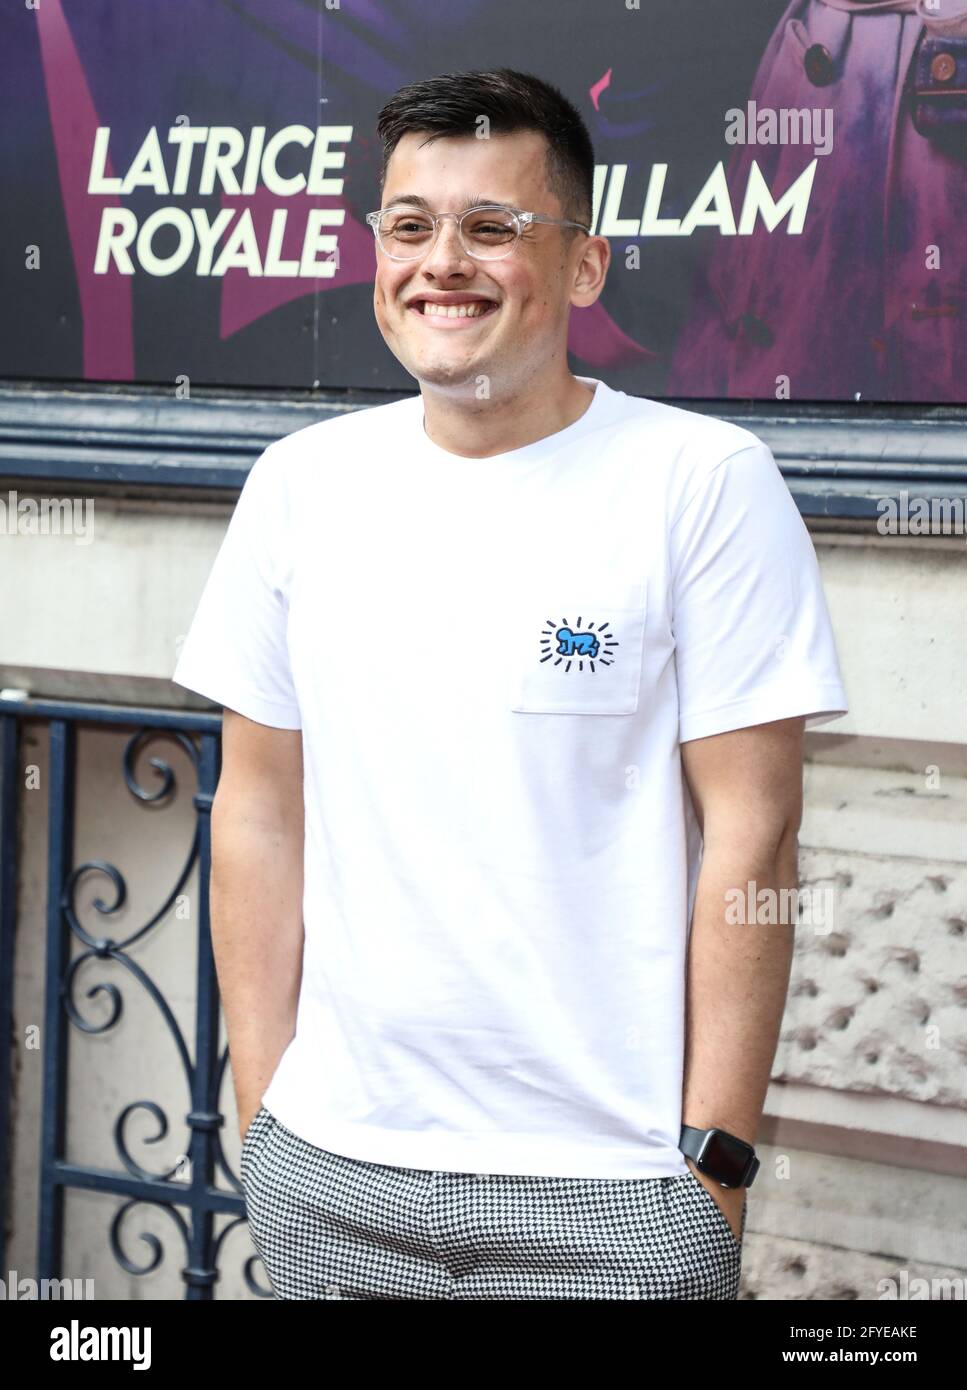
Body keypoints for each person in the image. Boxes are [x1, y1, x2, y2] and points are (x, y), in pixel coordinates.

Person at [172, 66, 849, 1301]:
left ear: (584, 267)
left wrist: (715, 1163)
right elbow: (258, 810)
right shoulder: (299, 485)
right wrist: (266, 1111)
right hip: (333, 1170)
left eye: (493, 227)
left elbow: (756, 836)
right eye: (411, 226)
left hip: (612, 1195)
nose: (443, 263)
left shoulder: (700, 483)